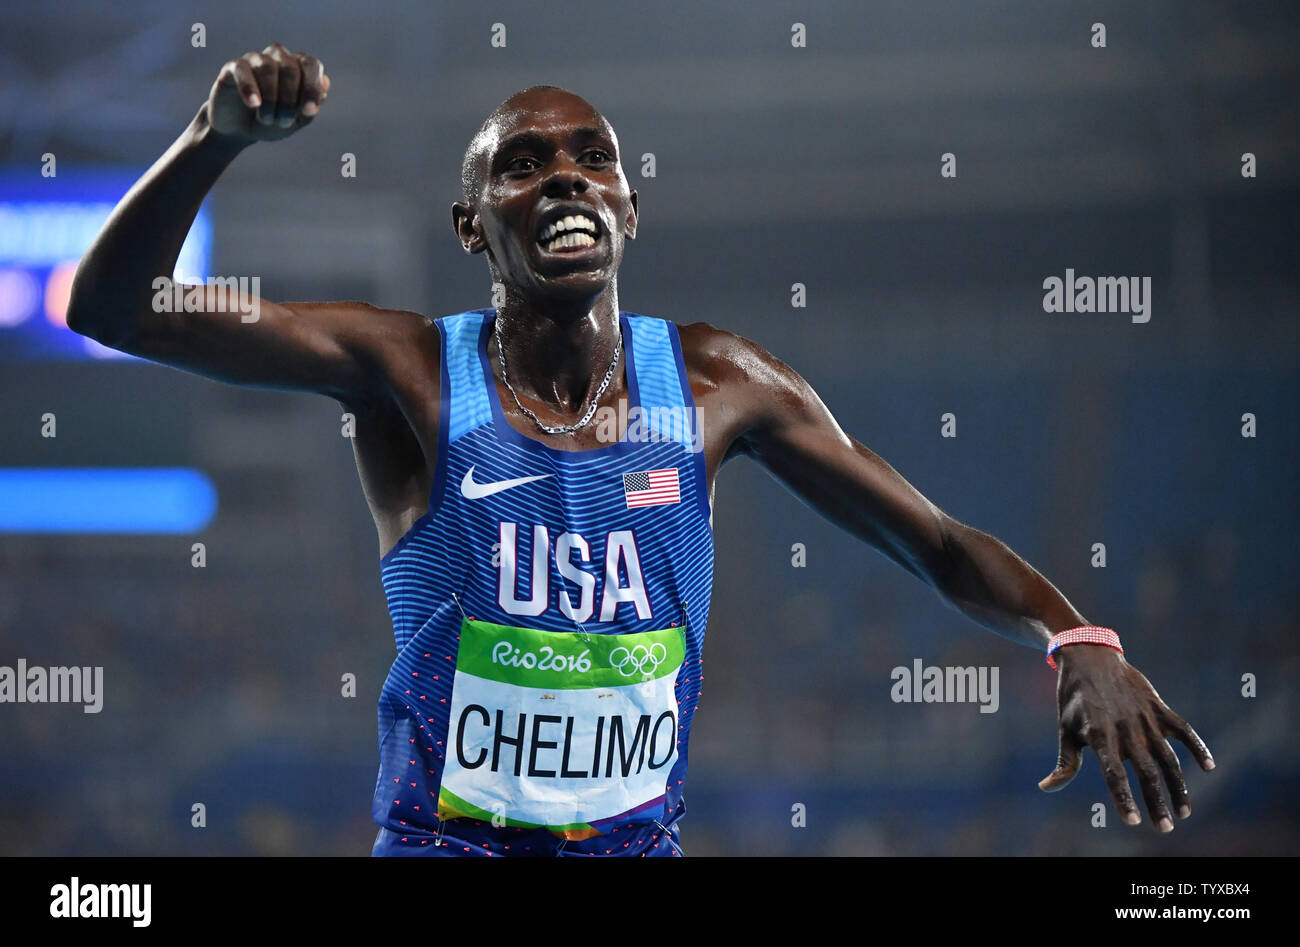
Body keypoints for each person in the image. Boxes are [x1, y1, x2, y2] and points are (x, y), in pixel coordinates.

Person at [66, 44, 1214, 857]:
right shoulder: (409, 369)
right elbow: (112, 308)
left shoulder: (721, 384)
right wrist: (212, 138)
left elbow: (936, 541)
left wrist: (1077, 635)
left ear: (625, 205)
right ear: (475, 226)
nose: (563, 175)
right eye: (521, 163)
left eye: (590, 157)